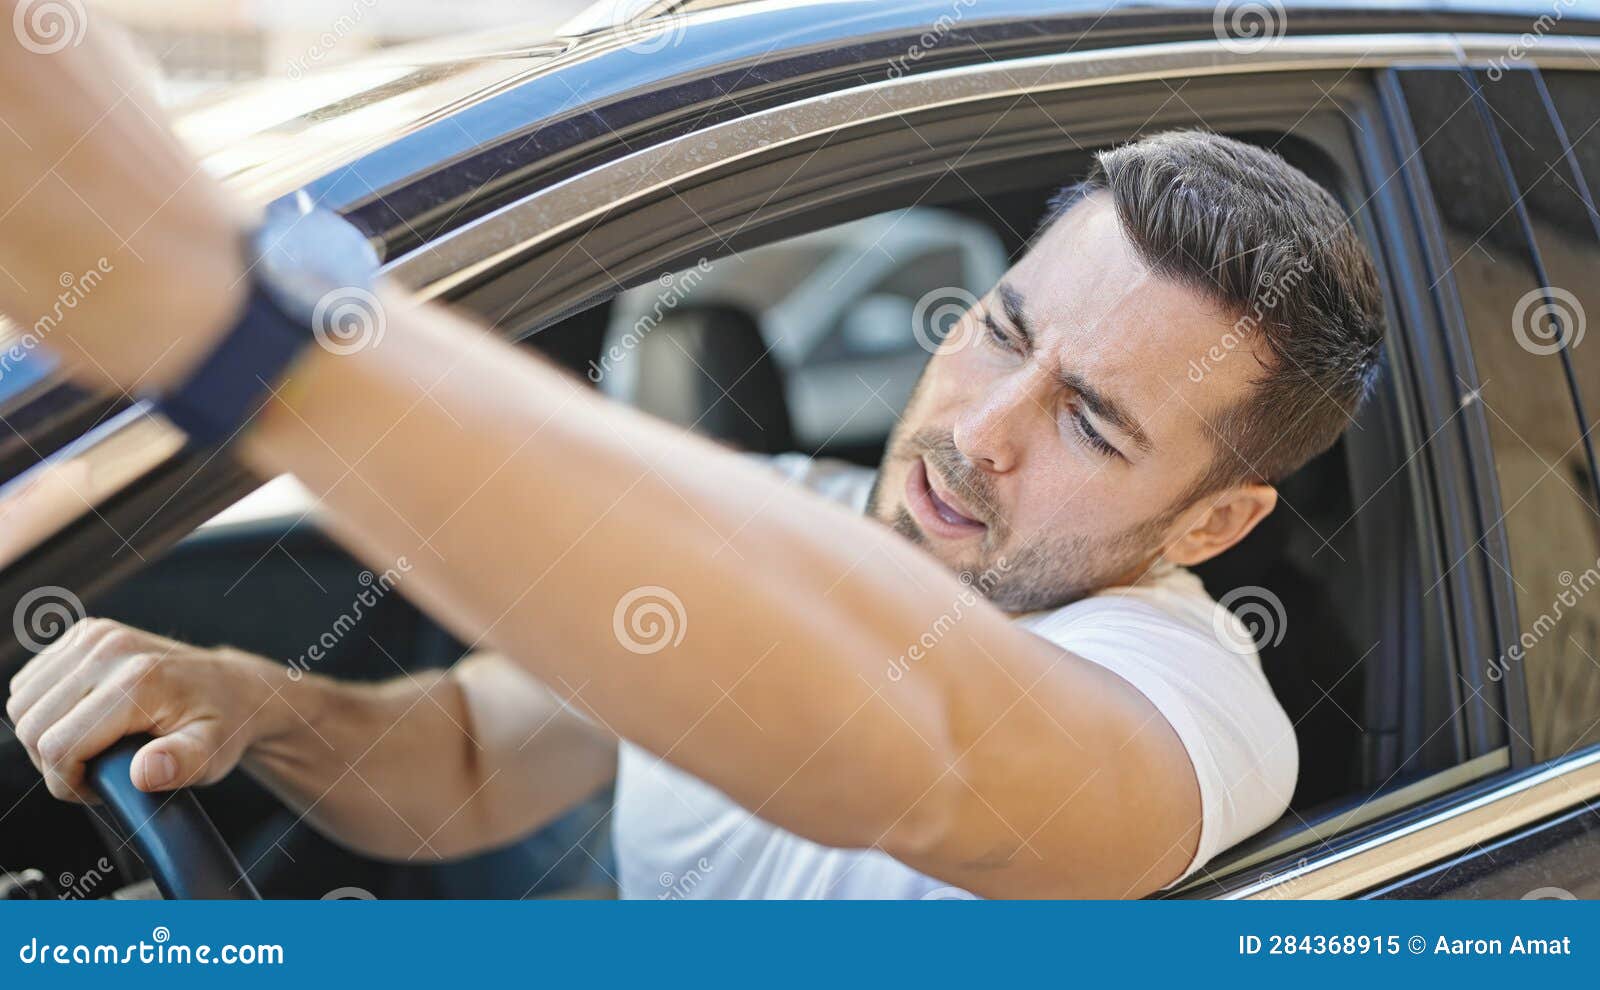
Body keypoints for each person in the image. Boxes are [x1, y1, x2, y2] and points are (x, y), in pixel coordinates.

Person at [0, 12, 1383, 898]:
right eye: (998, 330)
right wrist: (250, 702)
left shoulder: (1197, 709)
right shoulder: (797, 510)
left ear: (1211, 524)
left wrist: (226, 321)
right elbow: (474, 755)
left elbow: (930, 744)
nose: (978, 432)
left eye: (1088, 421)